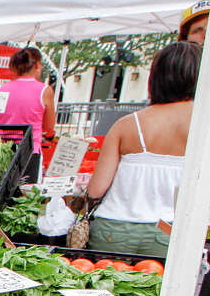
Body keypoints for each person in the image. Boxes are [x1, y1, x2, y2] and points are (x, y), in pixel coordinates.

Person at [85, 40, 200, 256]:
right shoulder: (203, 125)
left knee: (105, 287)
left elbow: (95, 190)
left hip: (113, 231)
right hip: (169, 233)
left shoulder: (126, 124)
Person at [0, 46, 56, 183]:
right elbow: (49, 126)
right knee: (26, 195)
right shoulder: (45, 90)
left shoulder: (2, 88)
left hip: (2, 149)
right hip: (29, 151)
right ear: (37, 65)